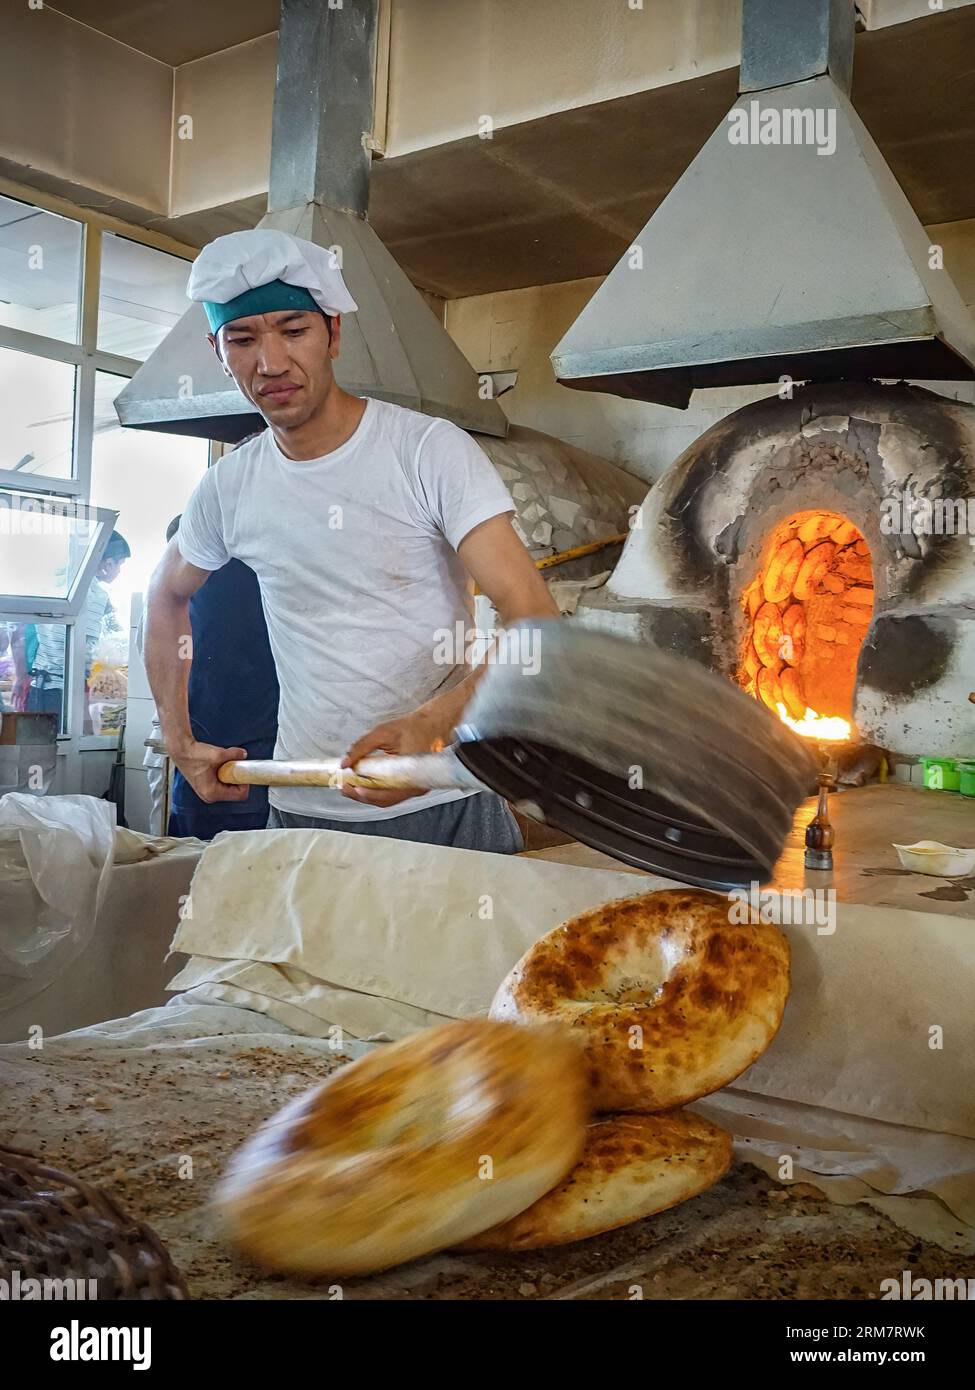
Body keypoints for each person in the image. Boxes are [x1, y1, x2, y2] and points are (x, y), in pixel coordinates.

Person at [145, 228, 559, 852]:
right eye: (243, 339)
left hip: (446, 799)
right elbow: (165, 595)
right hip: (301, 807)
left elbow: (536, 620)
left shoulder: (427, 450)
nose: (271, 363)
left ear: (333, 332)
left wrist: (434, 726)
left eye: (294, 330)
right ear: (217, 350)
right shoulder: (229, 487)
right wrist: (178, 738)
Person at [12, 530, 130, 726]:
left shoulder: (55, 582)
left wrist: (21, 675)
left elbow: (17, 631)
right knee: (68, 752)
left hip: (37, 688)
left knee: (35, 753)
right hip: (64, 693)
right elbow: (86, 652)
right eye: (120, 565)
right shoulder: (94, 595)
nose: (119, 571)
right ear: (108, 564)